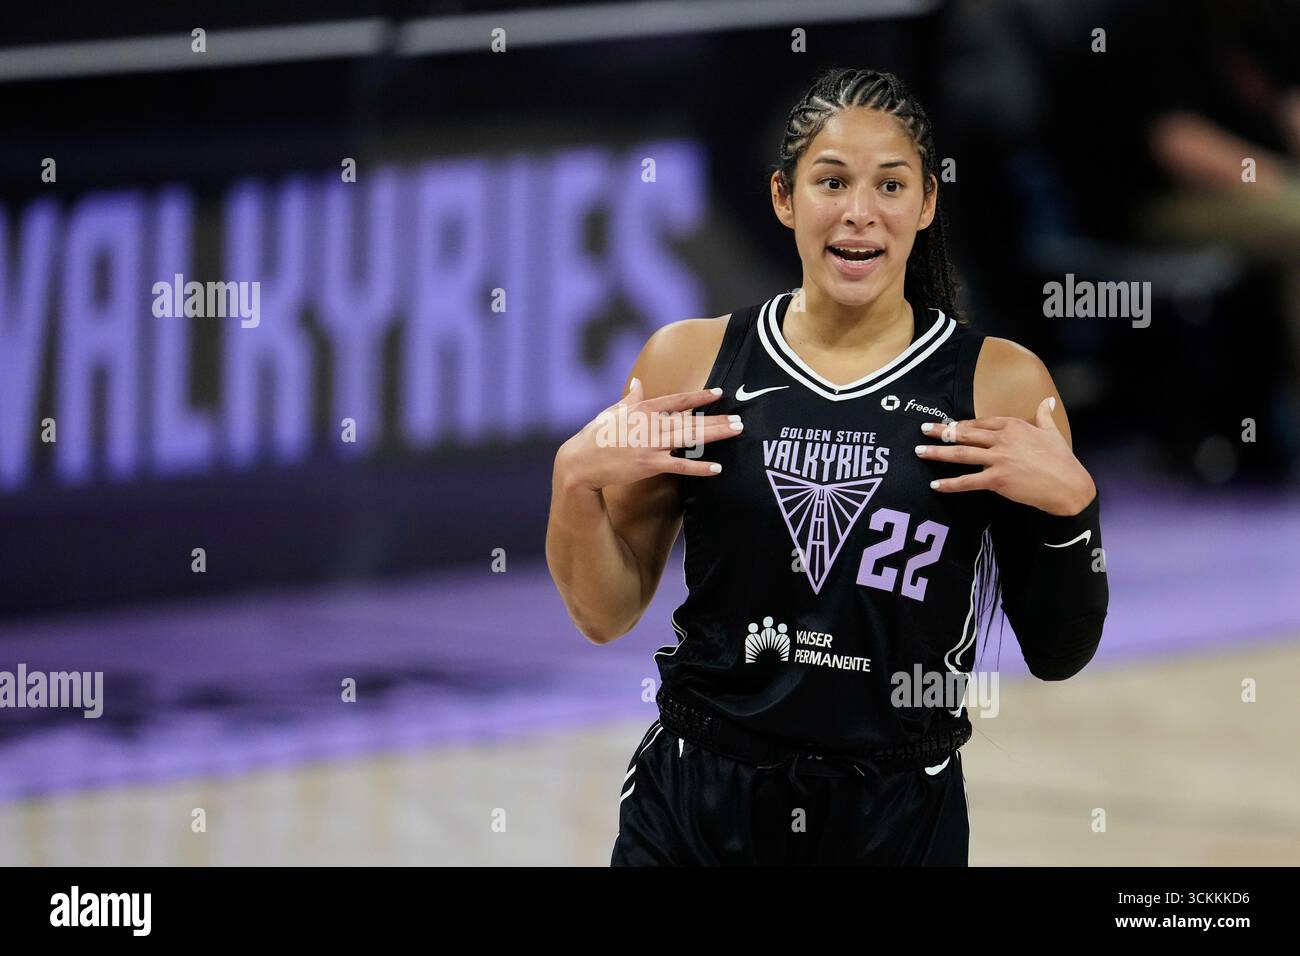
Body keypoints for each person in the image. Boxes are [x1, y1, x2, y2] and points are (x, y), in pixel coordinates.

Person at [545, 67, 1108, 866]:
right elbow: (605, 613)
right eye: (831, 181)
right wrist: (573, 481)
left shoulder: (1000, 384)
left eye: (890, 184)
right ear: (784, 198)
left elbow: (1058, 654)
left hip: (893, 812)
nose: (859, 213)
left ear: (927, 204)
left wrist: (1072, 510)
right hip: (697, 804)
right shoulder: (690, 360)